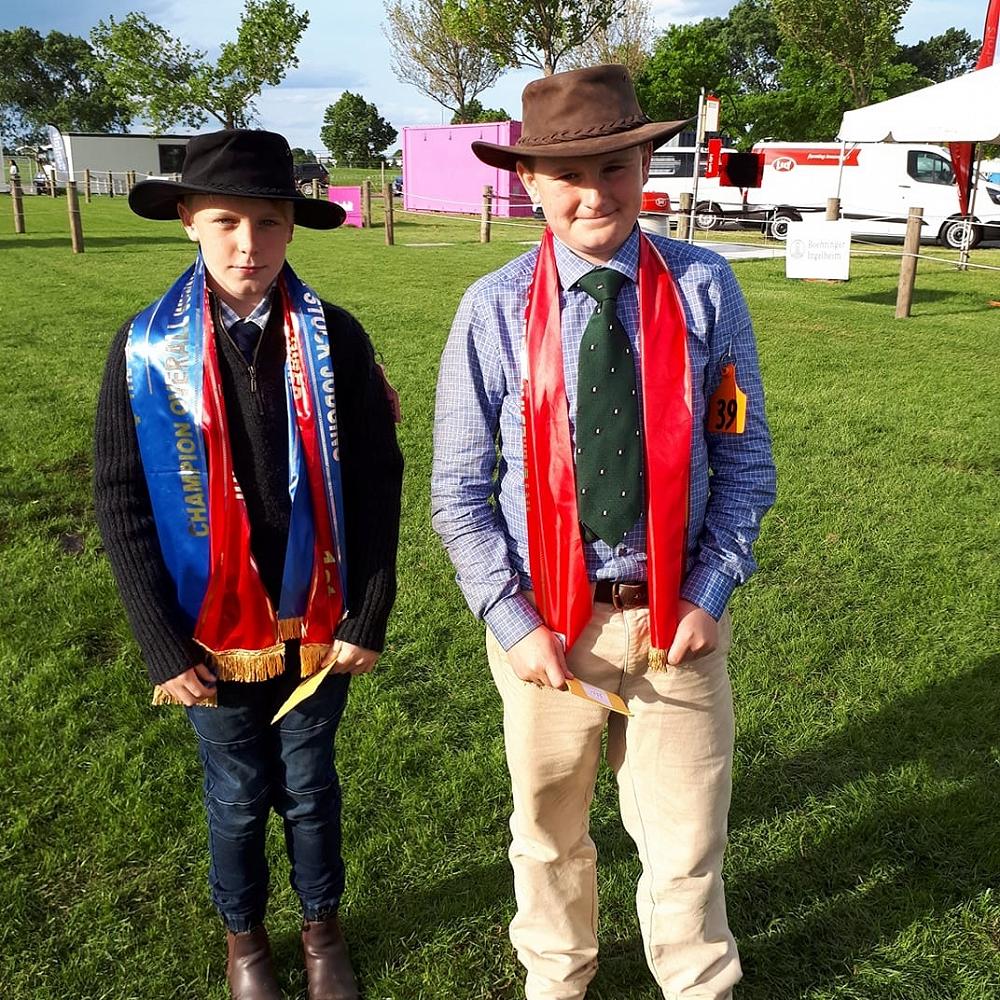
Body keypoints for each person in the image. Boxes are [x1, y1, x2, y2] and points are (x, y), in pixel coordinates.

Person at [431, 65, 776, 999]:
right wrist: (514, 622)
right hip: (550, 627)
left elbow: (744, 462)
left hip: (674, 623)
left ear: (642, 167)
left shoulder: (702, 286)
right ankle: (558, 975)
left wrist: (708, 593)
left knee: (688, 832)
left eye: (615, 167)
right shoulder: (492, 309)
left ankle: (697, 979)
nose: (595, 193)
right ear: (530, 183)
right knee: (546, 828)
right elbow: (460, 493)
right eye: (568, 175)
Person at [94, 129, 403, 1000]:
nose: (248, 245)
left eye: (268, 224)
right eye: (226, 220)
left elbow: (379, 480)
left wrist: (368, 609)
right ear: (188, 219)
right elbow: (121, 501)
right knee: (233, 795)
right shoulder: (144, 350)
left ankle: (321, 931)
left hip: (318, 628)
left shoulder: (335, 338)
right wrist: (161, 644)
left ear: (291, 231)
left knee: (309, 785)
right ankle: (246, 943)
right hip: (209, 641)